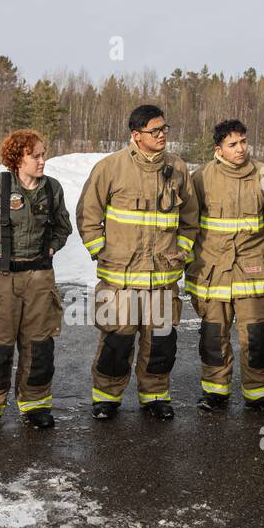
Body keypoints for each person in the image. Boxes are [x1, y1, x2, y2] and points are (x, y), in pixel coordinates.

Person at [75, 105, 197, 421]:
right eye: (154, 131)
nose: (162, 135)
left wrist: (181, 253)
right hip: (120, 278)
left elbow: (190, 219)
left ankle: (155, 397)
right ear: (136, 135)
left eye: (164, 129)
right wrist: (101, 250)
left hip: (162, 277)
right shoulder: (110, 167)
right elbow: (88, 213)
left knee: (160, 343)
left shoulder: (178, 168)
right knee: (116, 341)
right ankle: (106, 398)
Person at [0, 130, 72, 432]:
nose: (41, 160)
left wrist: (53, 246)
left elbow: (64, 226)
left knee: (39, 346)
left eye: (43, 154)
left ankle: (36, 404)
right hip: (1, 278)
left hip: (40, 277)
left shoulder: (52, 188)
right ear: (17, 158)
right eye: (34, 155)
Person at [185, 119, 264, 413]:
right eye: (232, 144)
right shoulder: (200, 178)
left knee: (257, 339)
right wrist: (191, 265)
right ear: (219, 149)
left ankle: (259, 393)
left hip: (253, 274)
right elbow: (188, 224)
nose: (240, 149)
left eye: (243, 142)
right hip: (213, 273)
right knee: (213, 337)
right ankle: (215, 392)